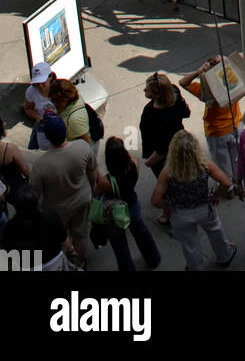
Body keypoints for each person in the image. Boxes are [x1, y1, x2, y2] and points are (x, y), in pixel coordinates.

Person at [152, 130, 236, 271]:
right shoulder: (205, 164)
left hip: (180, 213)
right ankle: (225, 255)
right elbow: (226, 183)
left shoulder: (168, 171)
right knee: (215, 231)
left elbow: (155, 200)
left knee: (190, 245)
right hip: (204, 207)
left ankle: (196, 267)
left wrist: (167, 206)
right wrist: (215, 195)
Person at [29, 114, 97, 263]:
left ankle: (65, 263)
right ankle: (79, 262)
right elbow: (92, 172)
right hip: (82, 199)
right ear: (66, 130)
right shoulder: (83, 147)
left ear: (47, 137)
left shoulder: (40, 166)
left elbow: (35, 195)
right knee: (80, 235)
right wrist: (93, 190)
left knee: (59, 238)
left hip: (57, 211)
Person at [94, 136, 161, 272]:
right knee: (141, 233)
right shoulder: (134, 166)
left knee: (119, 244)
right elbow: (132, 159)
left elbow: (96, 192)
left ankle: (127, 268)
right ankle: (153, 258)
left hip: (114, 213)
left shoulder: (105, 181)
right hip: (132, 206)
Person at [178, 58, 244, 183]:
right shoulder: (233, 82)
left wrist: (199, 71)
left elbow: (183, 82)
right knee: (237, 158)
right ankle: (238, 181)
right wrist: (227, 60)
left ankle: (228, 185)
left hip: (216, 132)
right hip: (236, 125)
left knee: (222, 162)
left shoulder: (206, 92)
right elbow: (241, 56)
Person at [139, 72, 191, 219]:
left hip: (162, 156)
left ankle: (169, 213)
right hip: (179, 144)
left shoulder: (160, 117)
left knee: (168, 185)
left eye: (148, 90)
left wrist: (150, 162)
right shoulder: (174, 93)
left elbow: (162, 148)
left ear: (158, 95)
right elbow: (186, 113)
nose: (144, 91)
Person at [1, 185, 69, 271]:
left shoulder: (11, 227)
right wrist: (71, 250)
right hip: (53, 262)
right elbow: (63, 238)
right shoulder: (51, 215)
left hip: (29, 266)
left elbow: (8, 251)